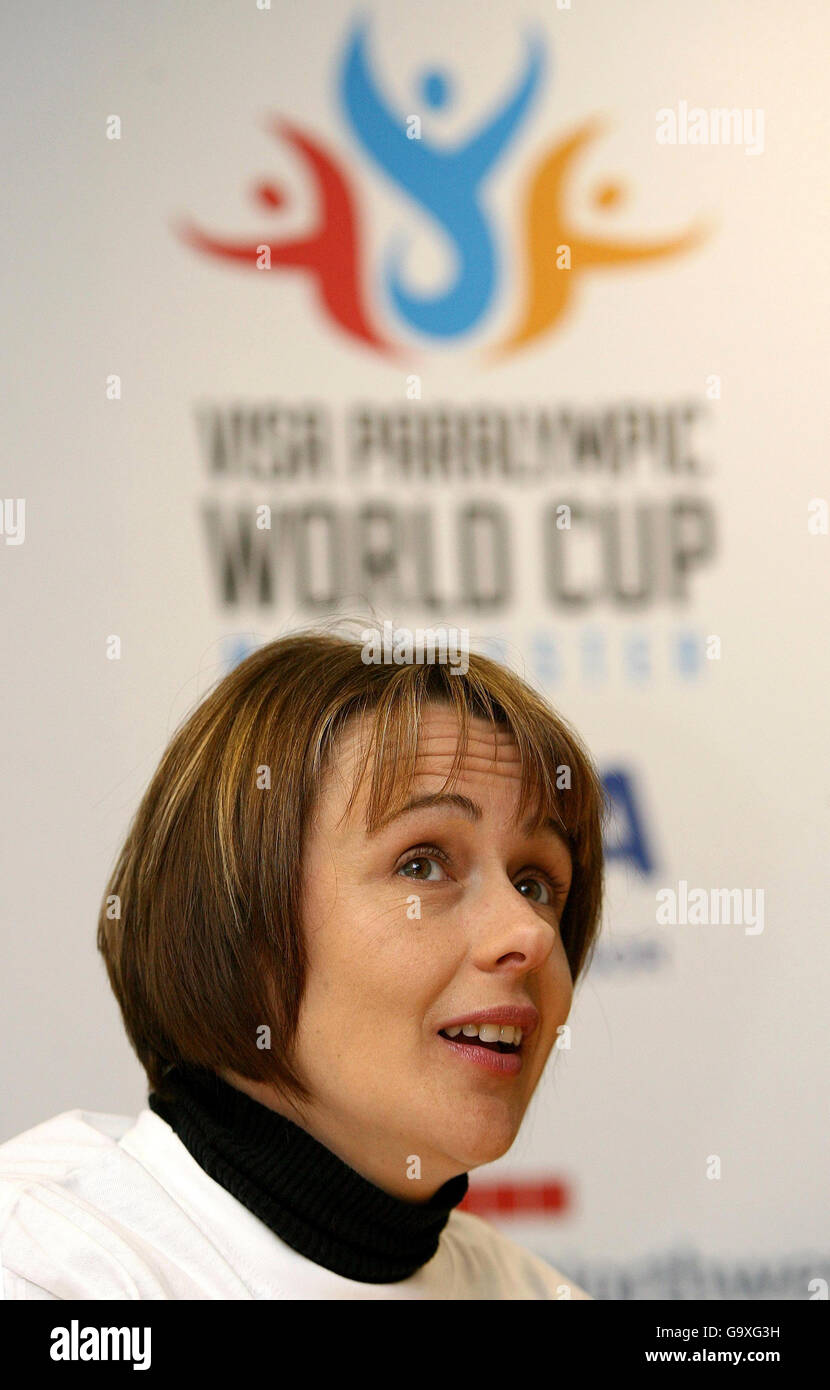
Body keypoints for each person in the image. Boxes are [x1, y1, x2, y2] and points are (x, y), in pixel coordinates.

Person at [0, 626, 605, 1299]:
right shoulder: (45, 1262)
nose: (529, 933)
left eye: (534, 883)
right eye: (423, 864)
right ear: (237, 920)